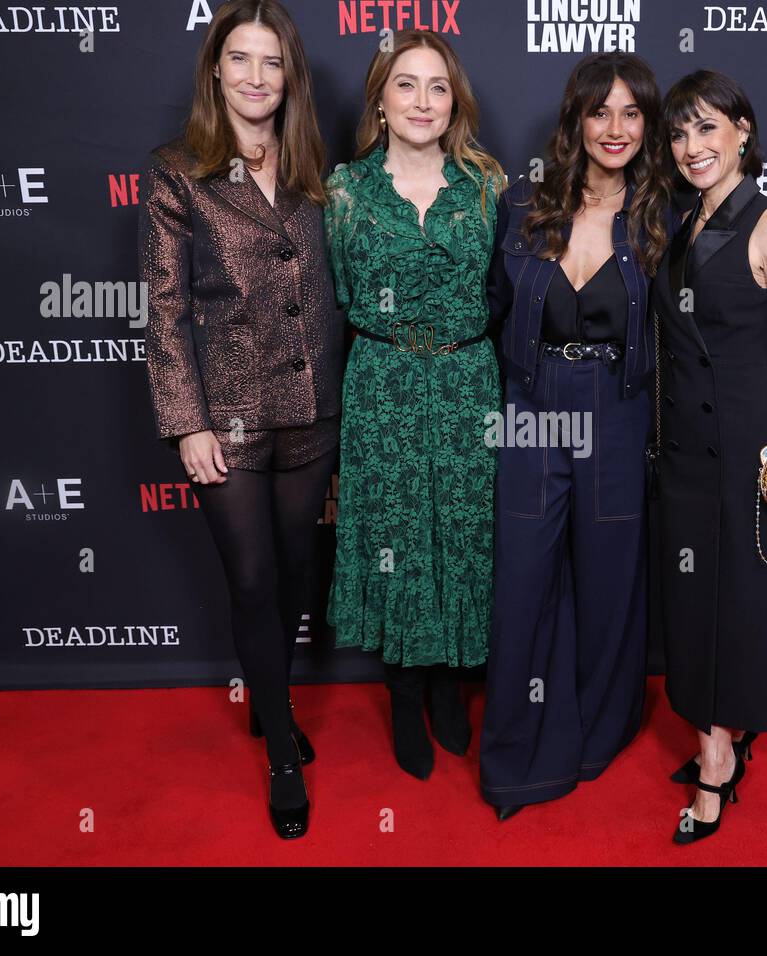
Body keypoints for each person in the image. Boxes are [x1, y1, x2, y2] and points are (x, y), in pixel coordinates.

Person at [138, 0, 343, 839]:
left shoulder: (310, 167)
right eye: (241, 61)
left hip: (314, 412)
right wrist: (186, 422)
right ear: (215, 71)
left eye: (272, 62)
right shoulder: (178, 169)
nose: (257, 77)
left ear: (288, 74)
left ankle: (268, 694)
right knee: (253, 581)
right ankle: (283, 757)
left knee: (298, 575)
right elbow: (164, 308)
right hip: (226, 419)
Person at [479, 53, 673, 820]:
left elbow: (696, 317)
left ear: (648, 126)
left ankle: (598, 729)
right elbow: (491, 305)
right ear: (576, 120)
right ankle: (516, 749)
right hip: (532, 405)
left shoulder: (663, 217)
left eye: (632, 114)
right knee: (523, 576)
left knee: (609, 578)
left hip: (618, 411)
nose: (616, 129)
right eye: (601, 112)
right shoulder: (525, 204)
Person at [652, 70, 767, 844]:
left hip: (748, 444)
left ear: (743, 131)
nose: (692, 147)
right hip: (684, 453)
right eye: (680, 133)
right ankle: (719, 735)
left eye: (707, 128)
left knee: (742, 601)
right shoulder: (683, 221)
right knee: (694, 604)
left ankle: (716, 760)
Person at [323, 30, 506, 780]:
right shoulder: (345, 191)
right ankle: (403, 692)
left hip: (467, 383)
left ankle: (448, 690)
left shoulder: (488, 186)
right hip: (384, 384)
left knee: (462, 531)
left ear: (454, 99)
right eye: (406, 84)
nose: (423, 101)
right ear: (380, 98)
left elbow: (506, 290)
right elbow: (339, 291)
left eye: (438, 86)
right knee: (397, 534)